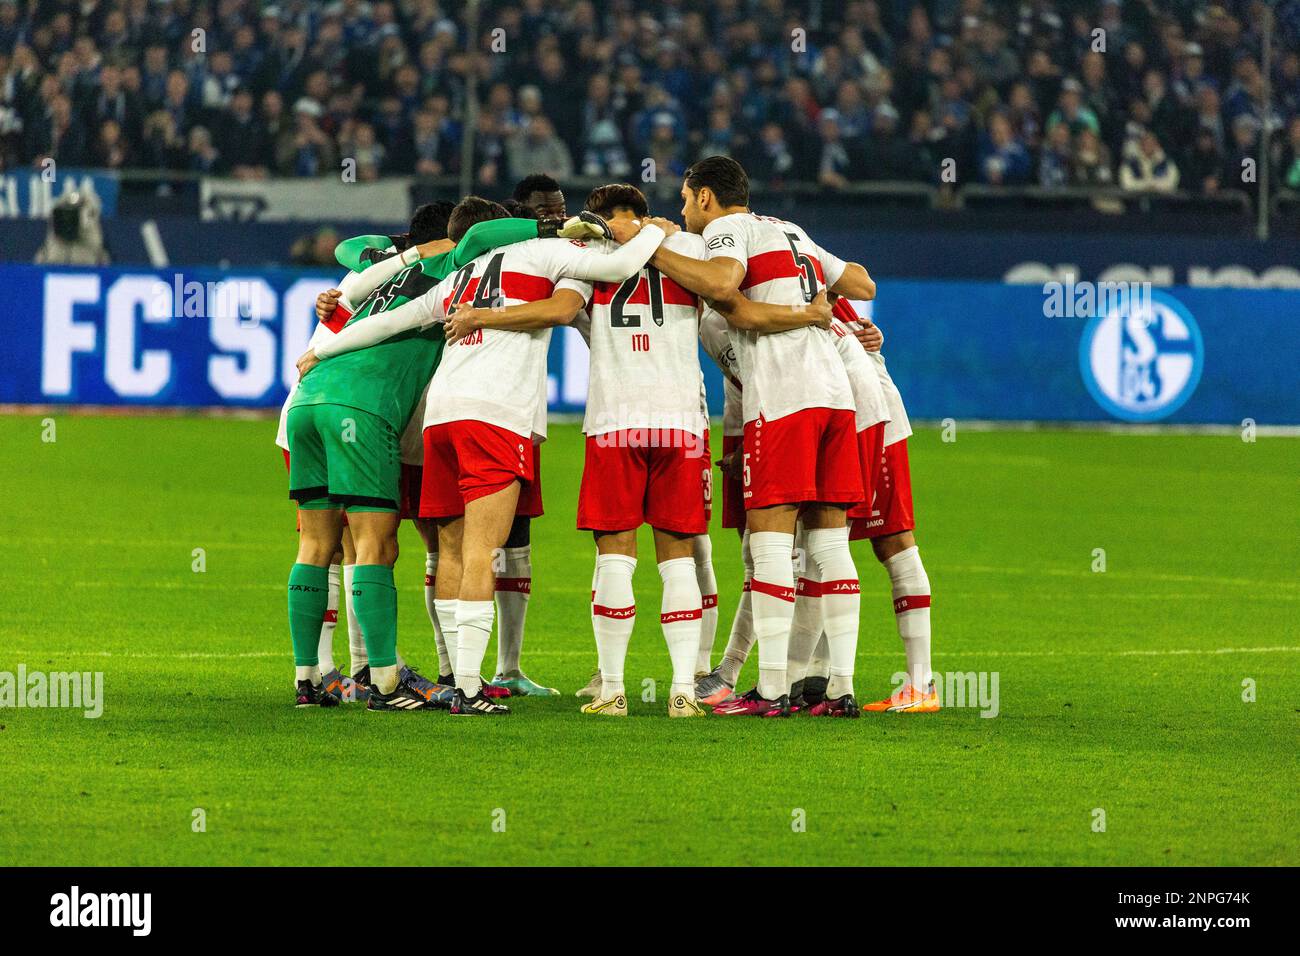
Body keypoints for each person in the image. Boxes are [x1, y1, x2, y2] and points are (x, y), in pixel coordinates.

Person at [299, 198, 667, 715]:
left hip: (441, 419)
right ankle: (470, 690)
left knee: (449, 550)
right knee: (481, 551)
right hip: (495, 414)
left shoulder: (461, 275)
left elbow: (390, 321)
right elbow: (622, 265)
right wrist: (655, 231)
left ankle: (453, 678)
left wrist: (325, 348)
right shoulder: (545, 255)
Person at [647, 156, 878, 717]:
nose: (683, 210)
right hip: (834, 398)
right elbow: (860, 281)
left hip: (786, 396)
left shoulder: (730, 229)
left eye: (684, 199)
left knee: (771, 546)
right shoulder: (790, 229)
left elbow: (729, 291)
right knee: (827, 545)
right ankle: (841, 688)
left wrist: (650, 248)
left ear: (706, 197)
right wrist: (815, 308)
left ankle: (772, 689)